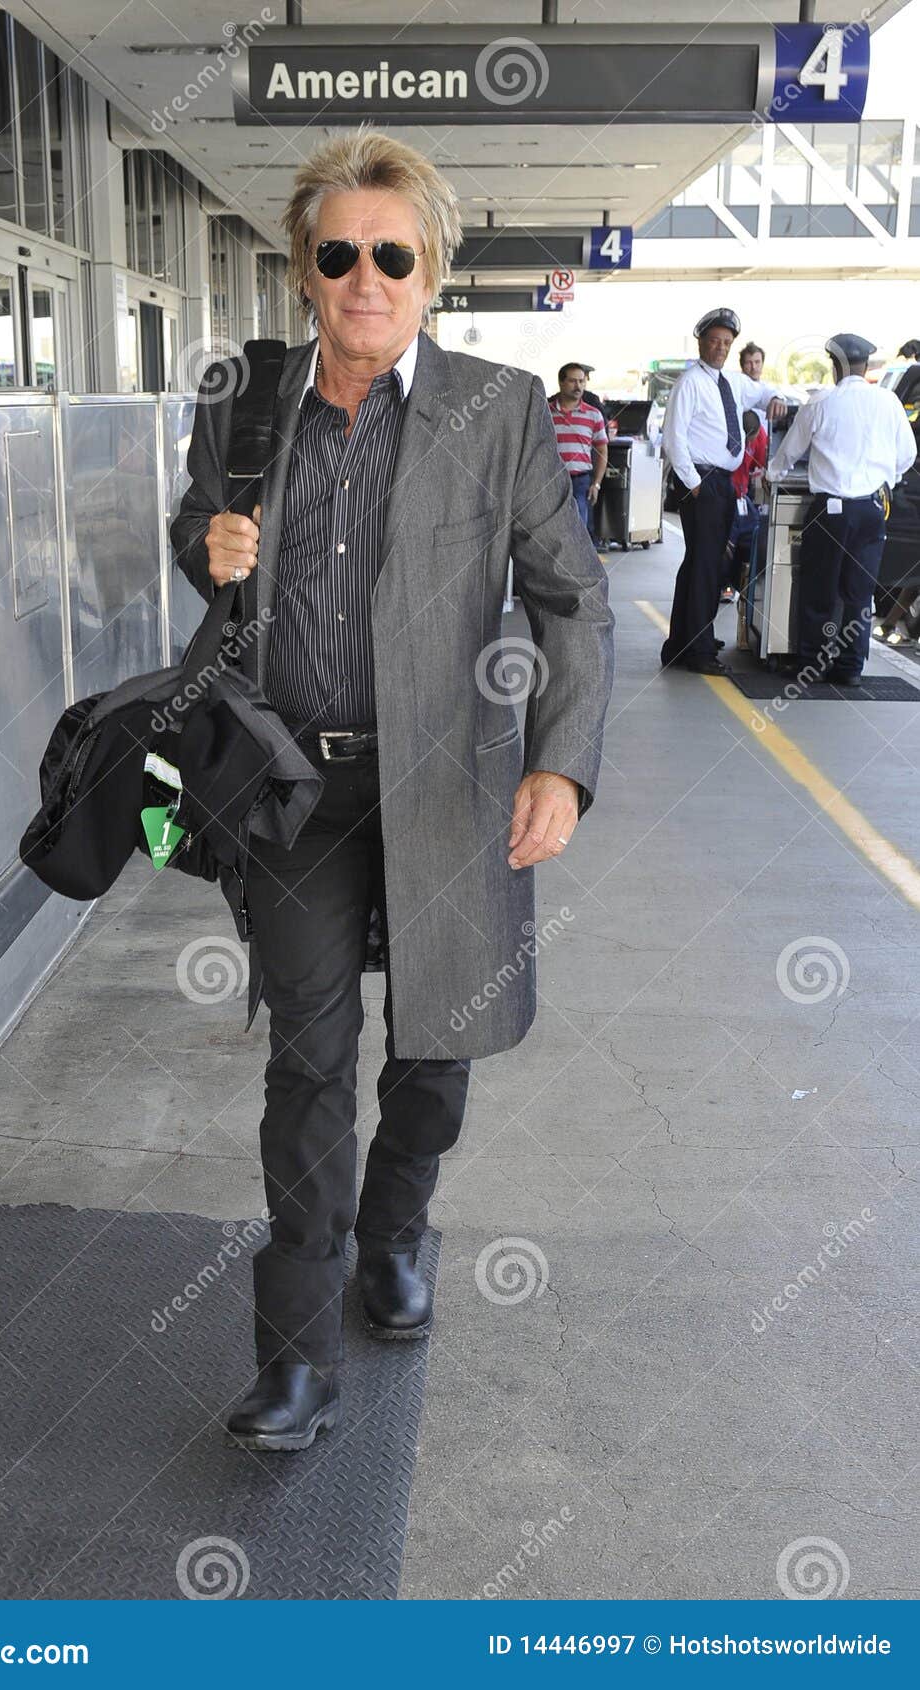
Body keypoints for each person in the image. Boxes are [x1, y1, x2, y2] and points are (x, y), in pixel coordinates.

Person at [172, 129, 614, 1454]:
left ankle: (397, 1224)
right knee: (307, 1065)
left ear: (429, 271)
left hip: (450, 790)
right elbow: (204, 561)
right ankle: (293, 1354)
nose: (364, 279)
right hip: (295, 789)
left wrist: (559, 759)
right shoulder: (241, 404)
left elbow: (569, 600)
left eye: (392, 255)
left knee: (433, 1050)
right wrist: (211, 552)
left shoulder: (496, 409)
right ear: (304, 269)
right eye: (338, 254)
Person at [767, 332, 917, 685]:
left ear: (834, 365)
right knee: (859, 592)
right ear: (866, 366)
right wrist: (886, 479)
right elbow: (907, 455)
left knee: (820, 589)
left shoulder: (820, 402)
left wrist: (771, 474)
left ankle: (813, 664)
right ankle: (850, 668)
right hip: (870, 511)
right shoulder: (888, 402)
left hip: (830, 512)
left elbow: (788, 453)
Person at [660, 306, 785, 673]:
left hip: (722, 481)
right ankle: (697, 651)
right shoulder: (690, 382)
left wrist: (775, 397)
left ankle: (683, 642)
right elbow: (673, 438)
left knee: (702, 564)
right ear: (701, 342)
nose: (720, 348)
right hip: (702, 481)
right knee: (706, 566)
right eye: (714, 341)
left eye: (726, 342)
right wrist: (695, 485)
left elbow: (763, 392)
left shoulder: (729, 382)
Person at [547, 362, 609, 533]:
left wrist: (596, 484)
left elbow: (602, 451)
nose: (578, 386)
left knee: (578, 531)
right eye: (573, 381)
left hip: (580, 482)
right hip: (550, 481)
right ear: (561, 382)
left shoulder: (594, 414)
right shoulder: (545, 412)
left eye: (582, 381)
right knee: (551, 531)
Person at [720, 410, 768, 607]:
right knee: (726, 545)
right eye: (747, 441)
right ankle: (724, 585)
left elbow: (761, 463)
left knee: (752, 538)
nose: (749, 445)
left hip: (743, 497)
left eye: (752, 440)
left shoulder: (760, 436)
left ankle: (745, 585)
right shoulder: (727, 436)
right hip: (725, 495)